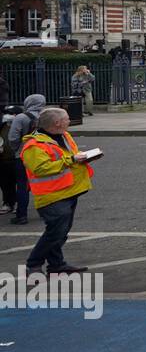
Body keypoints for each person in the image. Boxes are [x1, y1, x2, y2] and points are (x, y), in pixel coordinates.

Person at [20, 107, 95, 276]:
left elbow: (71, 156)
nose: (69, 121)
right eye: (67, 119)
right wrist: (72, 159)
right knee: (55, 232)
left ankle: (56, 265)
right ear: (57, 123)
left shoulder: (64, 135)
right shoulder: (34, 146)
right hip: (52, 195)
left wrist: (83, 157)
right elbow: (41, 169)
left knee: (61, 231)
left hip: (69, 190)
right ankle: (34, 264)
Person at [8, 94, 46, 225]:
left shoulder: (21, 117)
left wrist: (17, 149)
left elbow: (13, 138)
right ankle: (45, 212)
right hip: (42, 154)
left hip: (23, 155)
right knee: (42, 184)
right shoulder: (47, 116)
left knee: (22, 185)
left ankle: (21, 215)